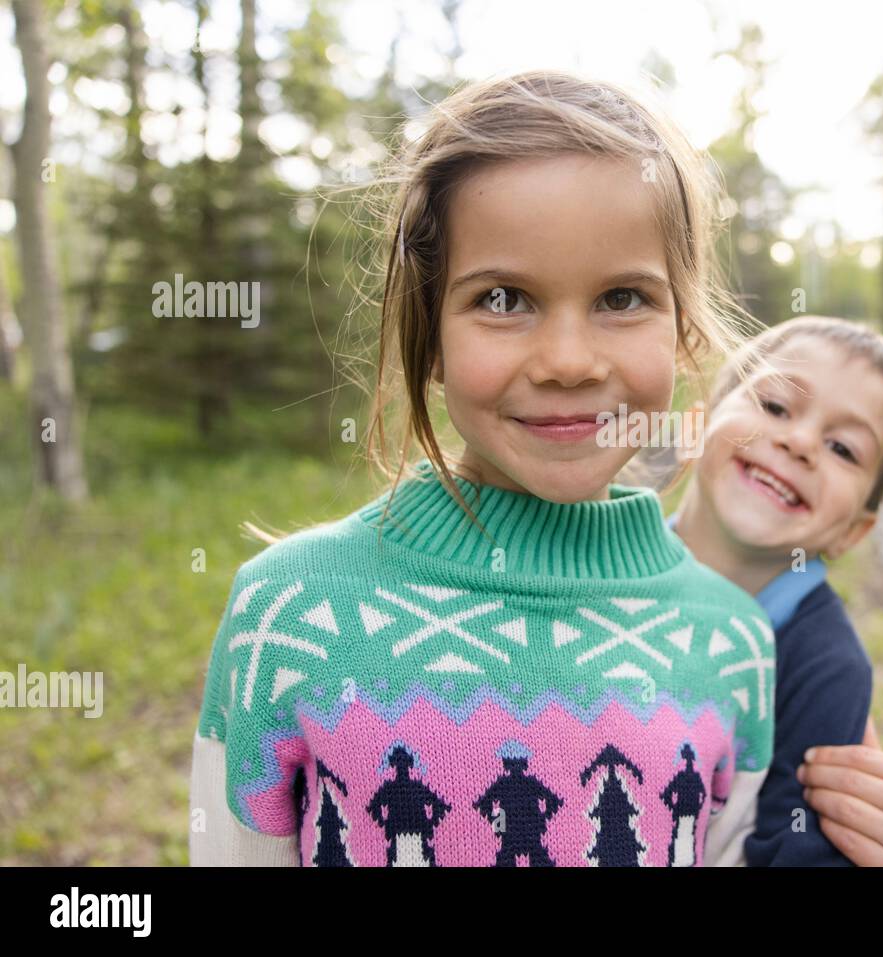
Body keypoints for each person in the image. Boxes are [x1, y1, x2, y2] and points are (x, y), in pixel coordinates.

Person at [187, 70, 776, 867]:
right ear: (428, 335)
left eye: (622, 297)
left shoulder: (731, 640)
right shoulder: (289, 616)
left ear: (684, 332)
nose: (568, 361)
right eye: (503, 299)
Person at [668, 315, 883, 866]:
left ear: (853, 531)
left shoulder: (825, 666)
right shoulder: (597, 565)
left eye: (842, 448)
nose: (798, 442)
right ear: (693, 428)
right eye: (774, 406)